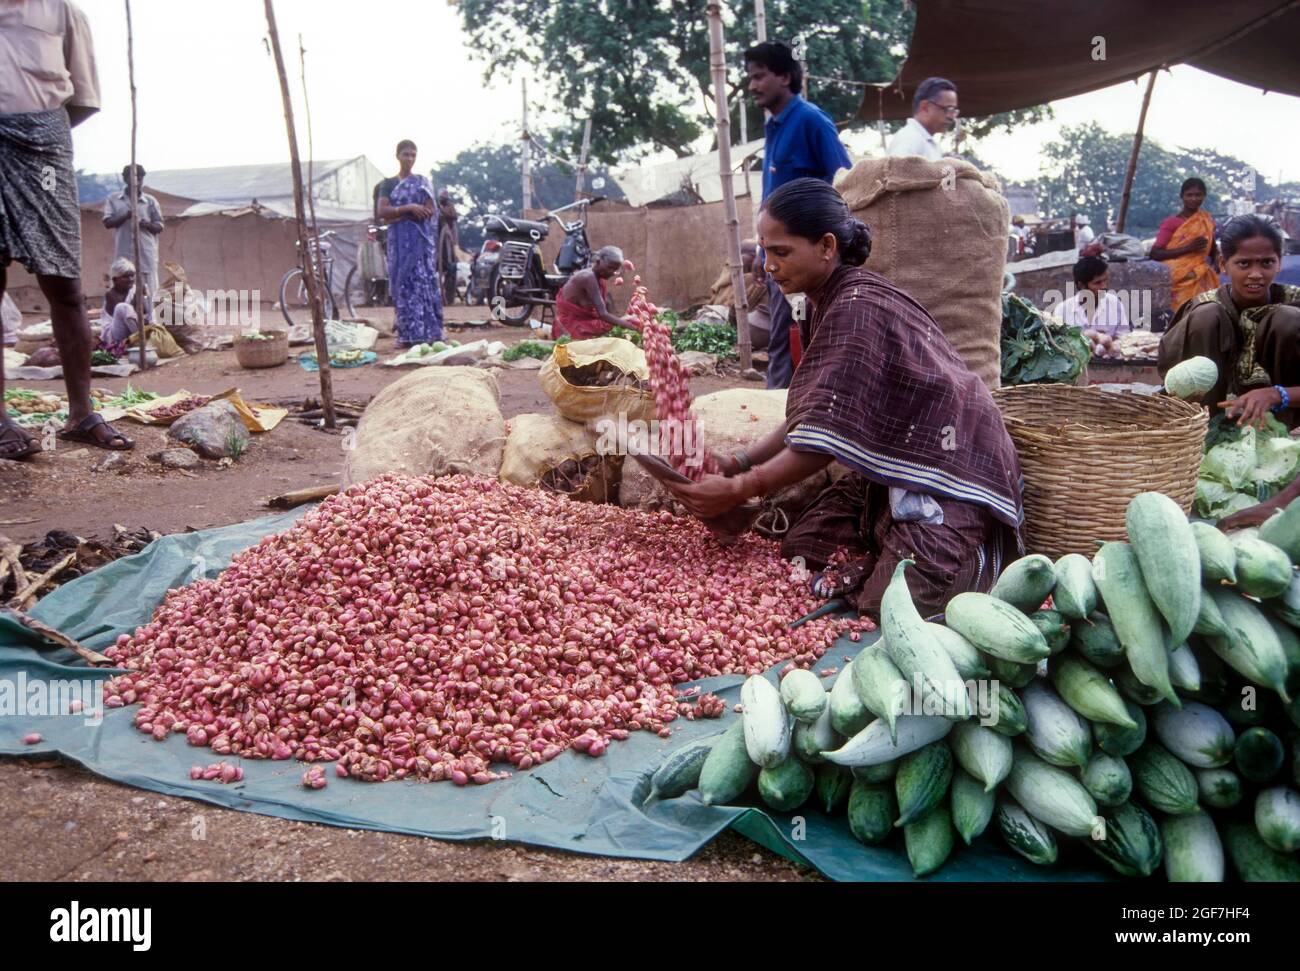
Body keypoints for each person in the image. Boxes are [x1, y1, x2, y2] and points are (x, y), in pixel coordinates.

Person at [663, 178, 1025, 619]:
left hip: (952, 470)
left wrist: (739, 488)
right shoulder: (825, 304)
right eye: (764, 251)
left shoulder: (856, 307)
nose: (768, 266)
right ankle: (884, 546)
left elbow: (820, 444)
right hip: (897, 467)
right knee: (803, 548)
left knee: (888, 606)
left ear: (827, 246)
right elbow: (814, 417)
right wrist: (735, 463)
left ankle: (975, 556)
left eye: (781, 251)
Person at [1, 0, 134, 459]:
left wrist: (33, 135)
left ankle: (81, 413)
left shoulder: (61, 12)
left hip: (45, 151)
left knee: (65, 284)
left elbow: (80, 100)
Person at [744, 40, 852, 390]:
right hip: (781, 259)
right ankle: (779, 415)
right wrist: (764, 253)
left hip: (808, 262)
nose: (752, 86)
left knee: (807, 341)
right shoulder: (774, 127)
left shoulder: (811, 122)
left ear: (786, 77)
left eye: (759, 77)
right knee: (783, 340)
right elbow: (770, 201)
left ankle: (802, 422)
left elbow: (846, 184)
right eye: (751, 77)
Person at [1158, 214, 1299, 432]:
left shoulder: (1295, 305)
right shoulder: (1202, 309)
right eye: (1243, 264)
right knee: (1207, 316)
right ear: (1223, 264)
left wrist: (1277, 394)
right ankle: (1207, 431)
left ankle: (1278, 431)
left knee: (1288, 320)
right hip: (1210, 416)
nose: (1256, 274)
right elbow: (1173, 379)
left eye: (1266, 262)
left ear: (1279, 262)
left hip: (1283, 418)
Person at [377, 140, 443, 346]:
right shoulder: (388, 184)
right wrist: (409, 208)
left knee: (424, 285)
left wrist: (422, 210)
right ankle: (407, 335)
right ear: (398, 156)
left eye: (413, 155)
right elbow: (383, 211)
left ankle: (427, 333)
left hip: (421, 244)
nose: (410, 159)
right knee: (403, 284)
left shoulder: (422, 182)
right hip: (399, 243)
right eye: (406, 154)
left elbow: (431, 209)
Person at [1149, 177, 1219, 308]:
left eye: (1198, 195)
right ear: (1182, 196)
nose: (1193, 199)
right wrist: (1188, 248)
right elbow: (1155, 253)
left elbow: (1213, 249)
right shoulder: (1171, 223)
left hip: (1201, 275)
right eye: (1189, 195)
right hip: (1177, 277)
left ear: (1204, 196)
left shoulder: (1207, 221)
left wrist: (1220, 262)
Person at [102, 164, 164, 296]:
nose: (137, 182)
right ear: (125, 179)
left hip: (146, 253)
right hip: (124, 252)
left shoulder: (150, 201)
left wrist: (146, 224)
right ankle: (126, 315)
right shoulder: (113, 199)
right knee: (123, 287)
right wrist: (126, 215)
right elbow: (107, 223)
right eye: (133, 178)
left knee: (149, 291)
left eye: (140, 179)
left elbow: (159, 226)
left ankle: (148, 316)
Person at [553, 246, 632, 341]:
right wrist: (632, 327)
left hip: (579, 323)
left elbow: (606, 305)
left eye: (615, 270)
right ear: (598, 261)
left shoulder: (599, 279)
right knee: (612, 325)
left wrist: (623, 321)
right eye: (609, 268)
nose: (612, 273)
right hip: (569, 327)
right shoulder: (588, 277)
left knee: (616, 324)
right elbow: (603, 314)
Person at [1051, 255, 1130, 334]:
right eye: (1097, 283)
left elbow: (1124, 336)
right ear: (1081, 285)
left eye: (1105, 280)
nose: (1104, 286)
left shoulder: (1115, 303)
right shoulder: (1062, 310)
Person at [886, 77, 959, 161]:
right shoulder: (910, 139)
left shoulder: (926, 141)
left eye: (954, 111)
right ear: (925, 107)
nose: (951, 117)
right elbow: (897, 173)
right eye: (948, 109)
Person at [99, 256, 149, 349]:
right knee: (122, 307)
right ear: (115, 280)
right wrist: (137, 296)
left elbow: (144, 312)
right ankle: (142, 341)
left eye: (132, 275)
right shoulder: (110, 294)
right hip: (114, 335)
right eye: (125, 276)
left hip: (133, 329)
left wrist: (143, 296)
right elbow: (124, 315)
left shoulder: (135, 290)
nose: (130, 279)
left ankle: (140, 339)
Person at [436, 188, 459, 305]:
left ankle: (449, 298)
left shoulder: (450, 208)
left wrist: (455, 243)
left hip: (447, 244)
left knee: (451, 269)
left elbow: (453, 218)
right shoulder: (434, 207)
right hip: (435, 244)